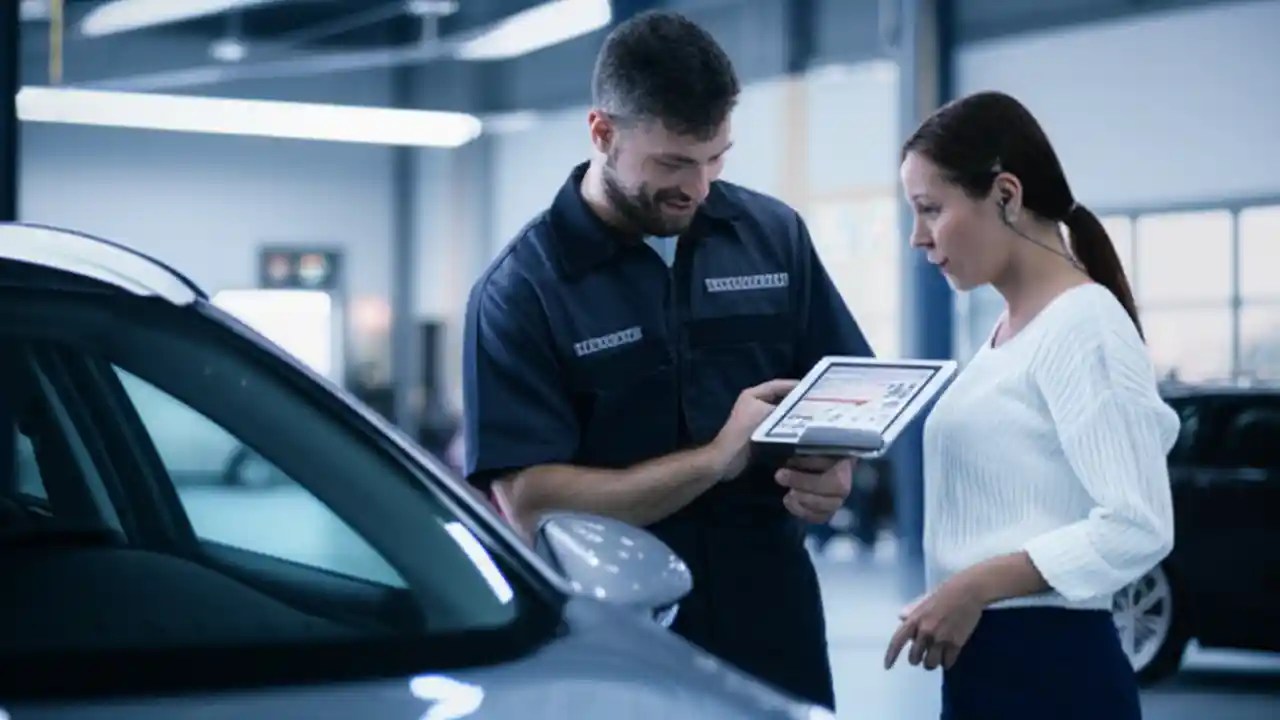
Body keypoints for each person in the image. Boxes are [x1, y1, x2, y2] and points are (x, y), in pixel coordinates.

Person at [462, 10, 872, 710]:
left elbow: (842, 388)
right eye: (673, 163)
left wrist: (834, 467)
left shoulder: (772, 237)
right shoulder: (524, 290)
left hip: (772, 612)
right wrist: (715, 459)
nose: (700, 186)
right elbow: (529, 501)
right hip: (615, 634)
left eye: (717, 157)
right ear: (602, 133)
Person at [883, 90, 1180, 719]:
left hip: (1049, 669)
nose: (917, 237)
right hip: (987, 661)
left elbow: (1138, 523)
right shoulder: (1007, 332)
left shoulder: (1083, 326)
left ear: (1006, 196)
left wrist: (974, 585)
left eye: (930, 209)